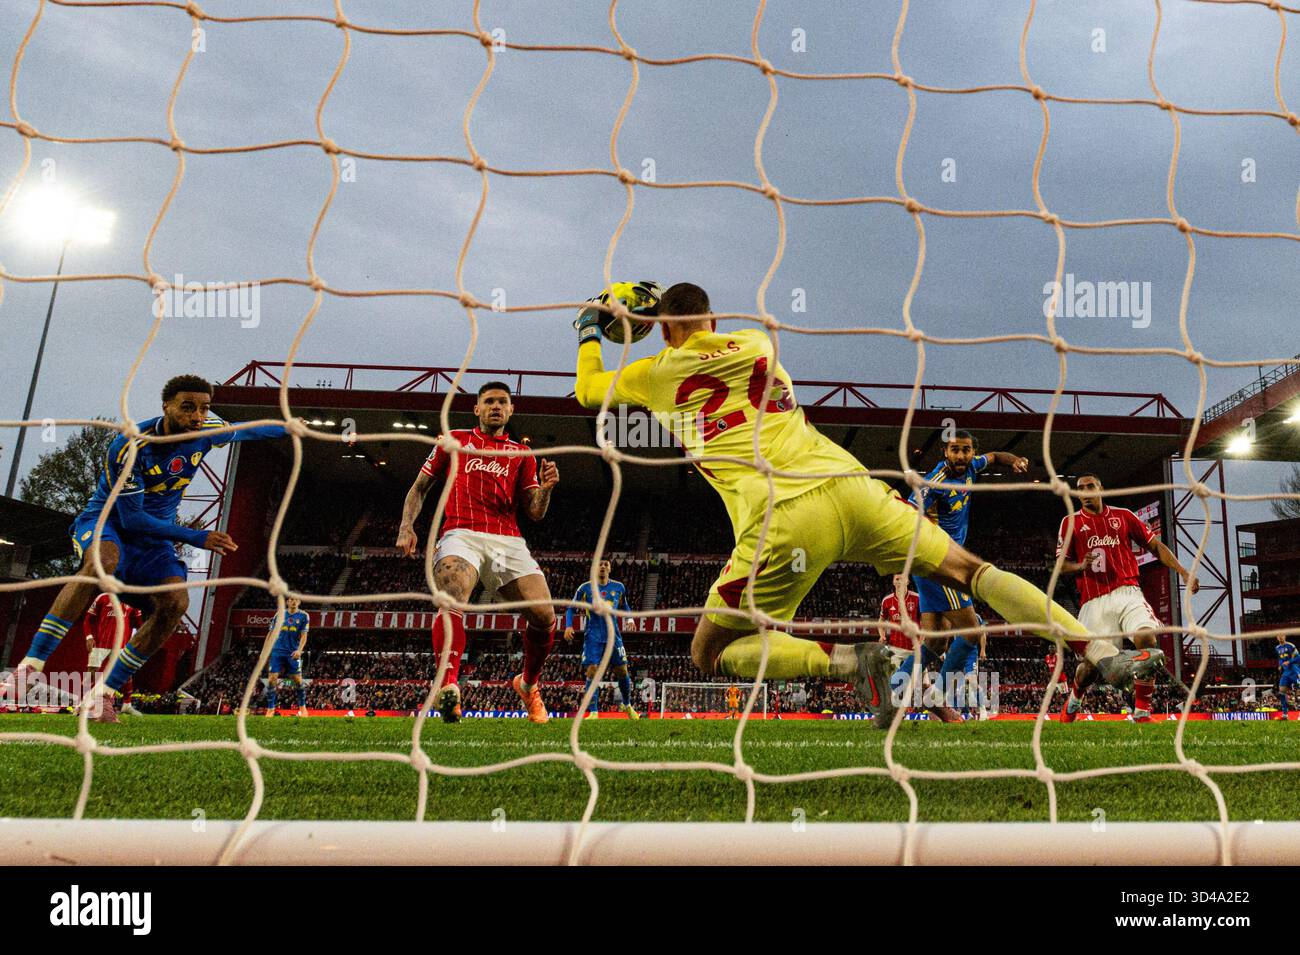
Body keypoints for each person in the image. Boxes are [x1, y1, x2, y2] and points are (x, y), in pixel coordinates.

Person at [573, 282, 1140, 728]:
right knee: (971, 571)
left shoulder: (653, 373)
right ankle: (1096, 648)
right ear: (714, 321)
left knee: (709, 651)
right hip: (854, 486)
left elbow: (588, 390)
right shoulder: (757, 343)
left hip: (784, 516)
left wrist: (594, 326)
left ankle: (847, 661)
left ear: (663, 329)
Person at [1, 375, 284, 722]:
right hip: (109, 522)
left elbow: (250, 430)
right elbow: (133, 520)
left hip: (155, 539)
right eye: (188, 407)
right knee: (102, 564)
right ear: (166, 406)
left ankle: (103, 695)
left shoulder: (209, 430)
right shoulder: (130, 446)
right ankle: (30, 667)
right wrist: (196, 537)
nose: (197, 416)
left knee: (175, 603)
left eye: (204, 408)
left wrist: (295, 427)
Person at [397, 381, 560, 724]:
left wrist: (545, 490)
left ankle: (528, 685)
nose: (496, 406)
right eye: (489, 401)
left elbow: (535, 512)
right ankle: (450, 686)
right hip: (462, 533)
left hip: (506, 542)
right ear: (477, 409)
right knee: (451, 592)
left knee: (544, 617)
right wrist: (406, 526)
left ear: (511, 410)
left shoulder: (521, 455)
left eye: (502, 402)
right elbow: (419, 487)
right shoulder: (453, 440)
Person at [1057, 474, 1195, 723]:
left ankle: (1142, 712)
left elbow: (1156, 546)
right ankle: (1074, 700)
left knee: (1146, 639)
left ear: (1101, 488)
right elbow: (1060, 565)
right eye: (1080, 489)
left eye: (1090, 486)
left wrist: (1184, 572)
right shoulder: (1070, 523)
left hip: (1128, 591)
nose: (1086, 491)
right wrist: (1079, 566)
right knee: (1090, 669)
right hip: (1094, 601)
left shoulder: (1124, 516)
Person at [913, 432, 1027, 717]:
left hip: (931, 564)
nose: (961, 456)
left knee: (935, 641)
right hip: (941, 562)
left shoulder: (973, 467)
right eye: (955, 450)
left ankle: (895, 690)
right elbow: (909, 511)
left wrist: (1014, 461)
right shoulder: (934, 482)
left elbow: (996, 456)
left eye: (966, 450)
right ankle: (937, 699)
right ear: (945, 452)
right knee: (972, 632)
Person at [563, 559, 640, 719]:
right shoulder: (585, 588)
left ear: (610, 568)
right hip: (593, 636)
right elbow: (571, 607)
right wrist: (568, 625)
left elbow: (624, 605)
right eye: (600, 564)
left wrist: (630, 619)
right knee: (592, 671)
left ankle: (627, 706)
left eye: (606, 564)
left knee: (622, 670)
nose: (603, 566)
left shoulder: (619, 587)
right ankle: (594, 711)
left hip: (614, 636)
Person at [83, 592, 144, 716]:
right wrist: (89, 637)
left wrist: (138, 642)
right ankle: (85, 703)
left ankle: (127, 705)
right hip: (100, 642)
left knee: (126, 673)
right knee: (92, 672)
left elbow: (139, 625)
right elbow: (88, 620)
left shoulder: (133, 599)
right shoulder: (102, 597)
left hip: (121, 645)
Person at [263, 597, 310, 717]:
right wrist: (264, 651)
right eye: (291, 599)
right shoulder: (279, 614)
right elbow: (271, 633)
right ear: (287, 602)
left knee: (298, 681)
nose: (293, 601)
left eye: (296, 600)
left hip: (292, 653)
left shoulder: (304, 616)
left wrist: (299, 650)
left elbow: (304, 636)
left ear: (299, 602)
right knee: (272, 679)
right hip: (277, 651)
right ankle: (270, 709)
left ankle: (302, 707)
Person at [1276, 634, 1298, 720]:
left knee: (1298, 693)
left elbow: (1298, 657)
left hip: (1294, 671)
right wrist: (1280, 665)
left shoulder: (1291, 646)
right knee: (1281, 693)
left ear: (1285, 637)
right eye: (1279, 636)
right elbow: (1281, 658)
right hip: (1286, 673)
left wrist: (1289, 662)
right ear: (1277, 638)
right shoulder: (1277, 648)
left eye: (1282, 635)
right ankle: (1285, 715)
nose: (1281, 637)